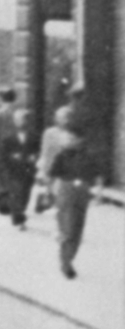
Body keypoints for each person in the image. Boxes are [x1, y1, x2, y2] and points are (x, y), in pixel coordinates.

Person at [47, 118, 102, 278]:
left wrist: (98, 194)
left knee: (77, 231)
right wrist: (49, 192)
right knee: (68, 229)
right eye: (65, 138)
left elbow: (98, 175)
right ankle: (66, 262)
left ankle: (68, 258)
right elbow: (52, 176)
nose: (66, 141)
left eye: (70, 138)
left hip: (82, 194)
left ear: (80, 140)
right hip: (65, 191)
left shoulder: (89, 155)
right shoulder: (61, 156)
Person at [0, 109, 39, 229]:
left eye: (23, 119)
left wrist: (34, 156)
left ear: (27, 121)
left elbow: (38, 151)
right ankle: (18, 219)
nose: (20, 122)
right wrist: (12, 157)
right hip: (13, 170)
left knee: (25, 193)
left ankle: (20, 211)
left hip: (28, 169)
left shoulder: (34, 136)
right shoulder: (8, 137)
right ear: (14, 121)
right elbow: (3, 154)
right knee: (16, 193)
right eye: (17, 119)